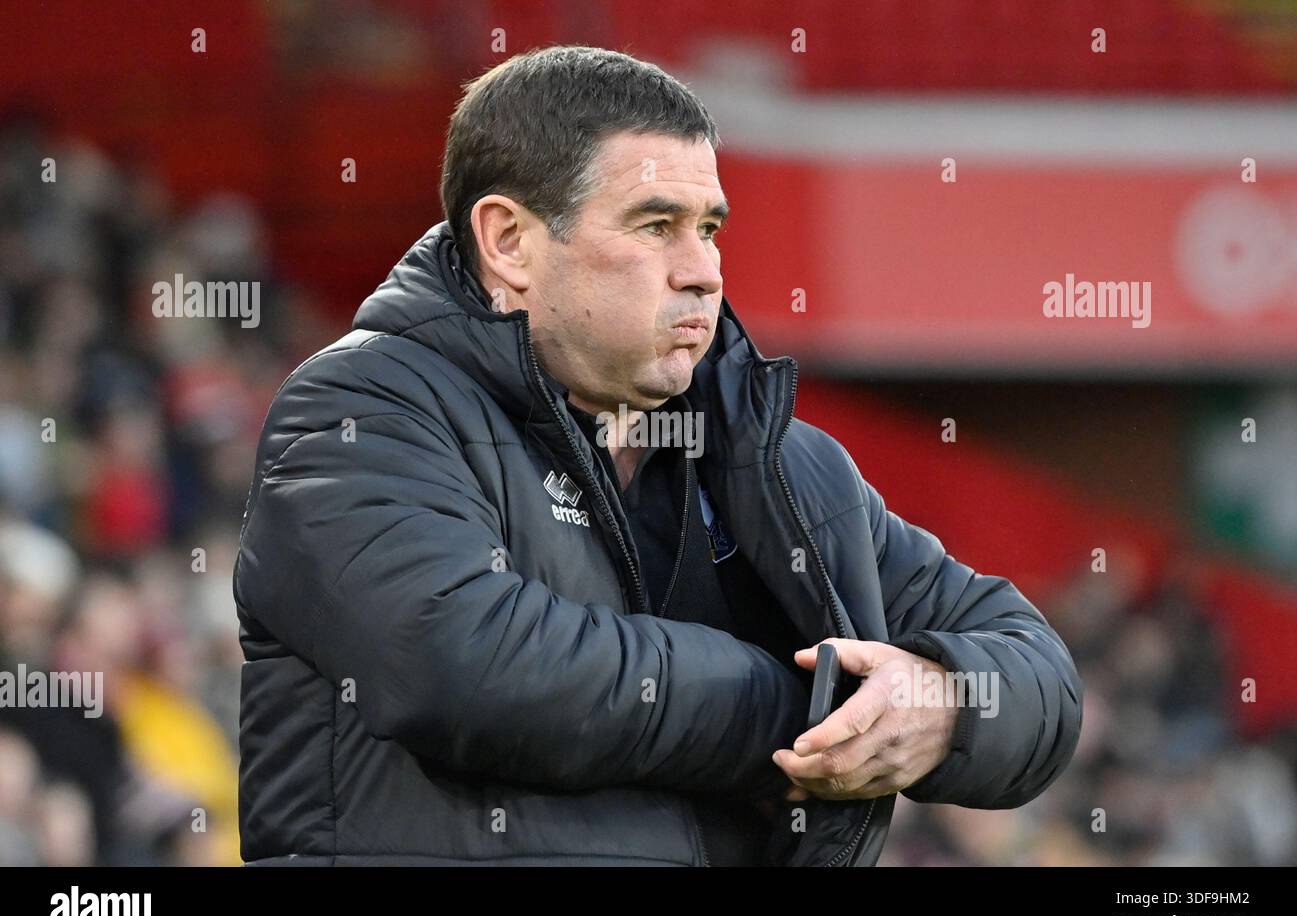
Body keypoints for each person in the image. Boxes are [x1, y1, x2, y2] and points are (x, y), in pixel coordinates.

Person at [233, 45, 1083, 866]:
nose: (705, 271)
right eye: (656, 226)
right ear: (509, 243)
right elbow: (468, 668)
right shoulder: (364, 407)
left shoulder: (780, 461)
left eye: (709, 228)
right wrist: (814, 710)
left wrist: (938, 701)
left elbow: (1038, 671)